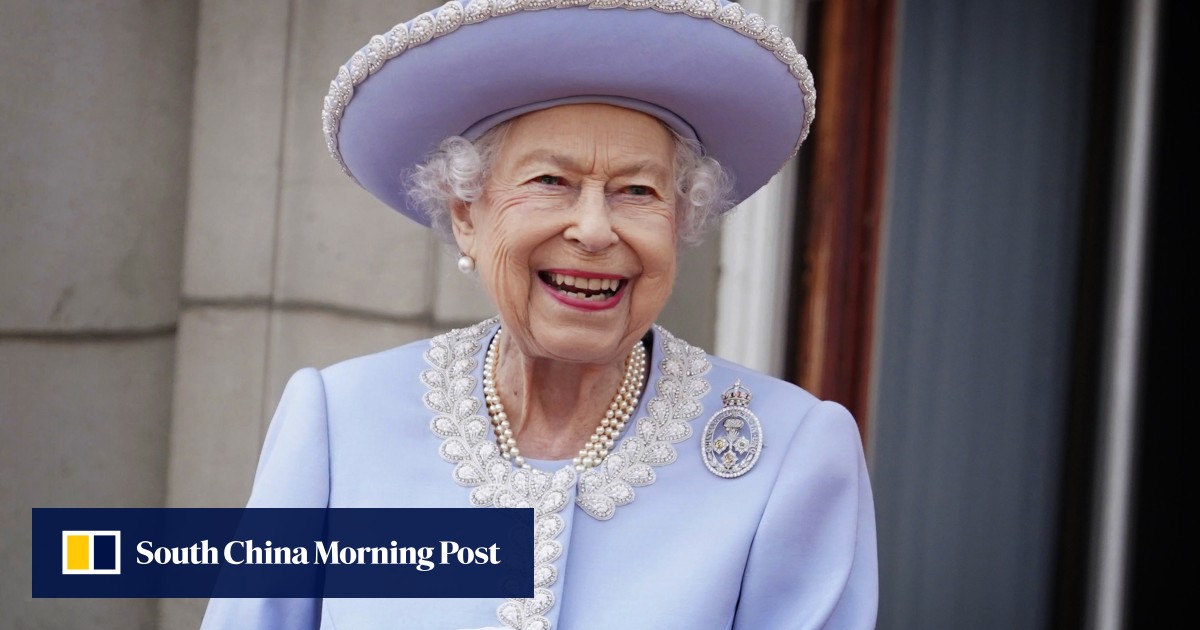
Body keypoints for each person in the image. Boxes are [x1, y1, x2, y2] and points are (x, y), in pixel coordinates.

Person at [203, 2, 877, 628]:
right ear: (467, 215)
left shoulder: (789, 455)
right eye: (550, 182)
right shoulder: (340, 421)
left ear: (680, 222)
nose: (593, 229)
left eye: (636, 191)